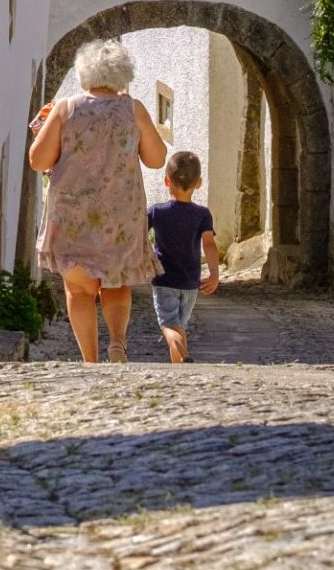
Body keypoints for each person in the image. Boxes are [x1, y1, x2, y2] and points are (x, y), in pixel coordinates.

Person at [28, 39, 168, 363]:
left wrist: (47, 129)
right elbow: (157, 158)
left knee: (79, 291)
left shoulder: (65, 109)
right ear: (123, 75)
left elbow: (38, 160)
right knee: (116, 284)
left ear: (83, 72)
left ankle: (90, 360)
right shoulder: (133, 109)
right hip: (120, 214)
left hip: (72, 215)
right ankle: (117, 342)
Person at [147, 150, 221, 364]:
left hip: (164, 279)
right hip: (190, 281)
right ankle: (179, 366)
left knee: (169, 325)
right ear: (199, 183)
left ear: (166, 181)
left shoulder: (157, 212)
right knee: (180, 324)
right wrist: (214, 273)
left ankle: (184, 355)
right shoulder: (202, 214)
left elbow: (136, 232)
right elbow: (209, 243)